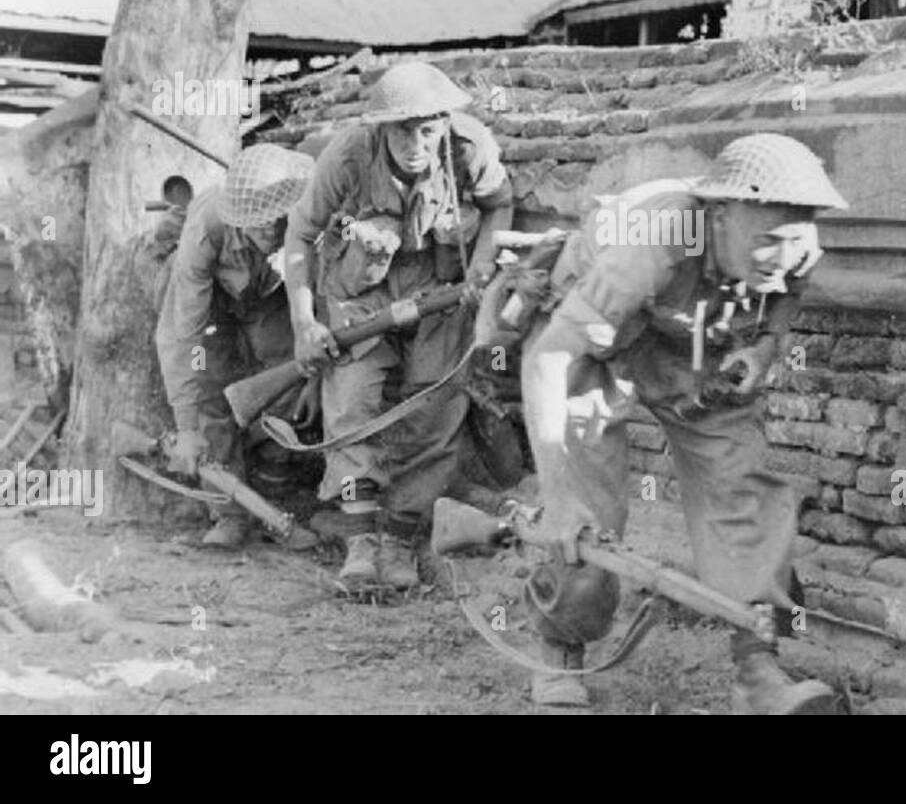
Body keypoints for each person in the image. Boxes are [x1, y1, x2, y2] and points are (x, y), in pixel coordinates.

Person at [518, 133, 849, 714]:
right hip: (588, 343)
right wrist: (558, 493)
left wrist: (766, 347)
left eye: (795, 238)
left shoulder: (794, 242)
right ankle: (560, 648)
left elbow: (789, 292)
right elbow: (553, 353)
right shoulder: (654, 242)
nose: (783, 253)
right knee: (584, 512)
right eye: (767, 240)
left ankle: (757, 669)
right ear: (718, 214)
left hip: (686, 344)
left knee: (740, 488)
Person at [285, 61, 513, 590]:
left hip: (440, 291)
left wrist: (481, 267)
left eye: (427, 128)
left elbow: (500, 206)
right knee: (352, 409)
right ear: (380, 127)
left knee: (435, 410)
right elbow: (300, 237)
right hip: (359, 295)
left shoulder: (468, 147)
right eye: (402, 129)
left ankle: (402, 539)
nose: (416, 141)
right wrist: (304, 323)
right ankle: (361, 539)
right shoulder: (347, 155)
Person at [155, 143, 316, 547]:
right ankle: (228, 511)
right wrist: (186, 428)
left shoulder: (309, 205)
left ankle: (272, 496)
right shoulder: (206, 228)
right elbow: (183, 333)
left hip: (272, 297)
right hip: (212, 301)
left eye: (274, 219)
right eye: (256, 222)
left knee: (289, 375)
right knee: (209, 385)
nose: (267, 229)